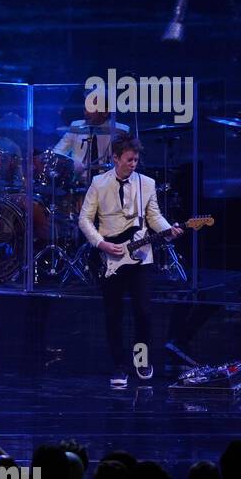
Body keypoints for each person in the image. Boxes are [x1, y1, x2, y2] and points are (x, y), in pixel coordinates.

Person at [78, 136, 183, 388]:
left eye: (136, 160)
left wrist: (169, 230)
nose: (133, 164)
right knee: (113, 314)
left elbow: (154, 216)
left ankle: (142, 360)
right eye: (128, 160)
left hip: (141, 256)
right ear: (115, 158)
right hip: (110, 257)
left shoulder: (146, 183)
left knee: (144, 313)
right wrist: (101, 243)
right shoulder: (99, 183)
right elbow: (84, 220)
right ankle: (119, 366)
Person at [51, 98, 126, 180]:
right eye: (85, 109)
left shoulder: (120, 131)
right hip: (78, 181)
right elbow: (58, 151)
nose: (86, 113)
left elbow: (126, 161)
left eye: (90, 109)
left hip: (107, 182)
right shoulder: (76, 126)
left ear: (105, 112)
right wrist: (72, 163)